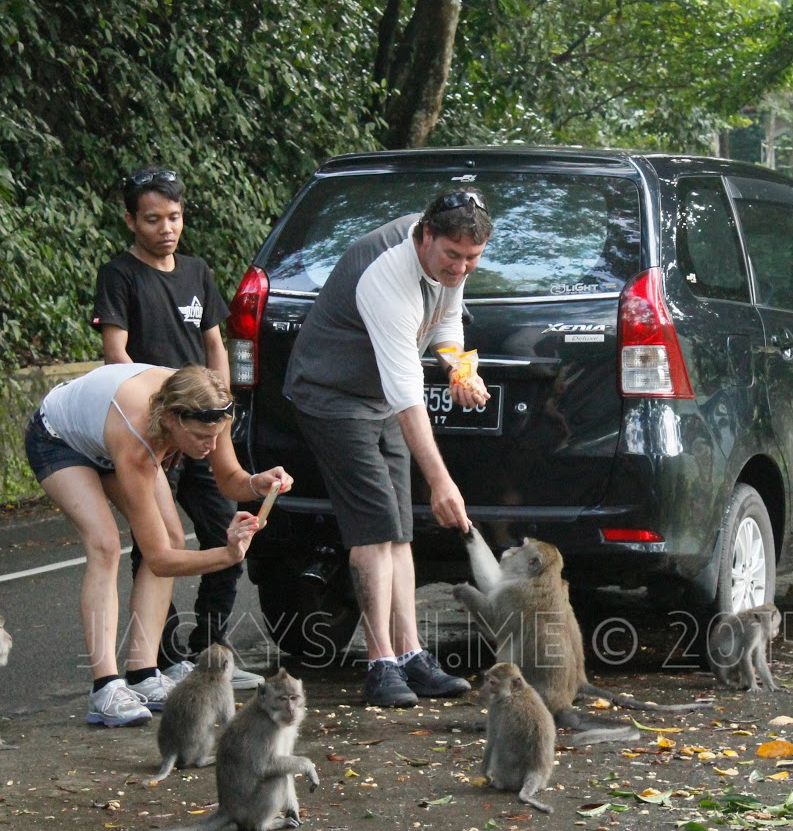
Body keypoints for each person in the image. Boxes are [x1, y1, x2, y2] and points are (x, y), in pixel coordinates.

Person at [283, 188, 493, 706]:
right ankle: (380, 663)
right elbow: (407, 395)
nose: (462, 267)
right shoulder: (387, 277)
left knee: (399, 529)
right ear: (425, 236)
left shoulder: (450, 260)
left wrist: (461, 370)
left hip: (376, 396)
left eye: (472, 259)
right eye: (452, 256)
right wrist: (442, 482)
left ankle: (411, 655)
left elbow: (446, 319)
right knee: (374, 526)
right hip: (331, 396)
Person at [25, 363, 292, 727]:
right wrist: (226, 555)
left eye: (215, 436)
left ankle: (143, 673)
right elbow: (160, 561)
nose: (209, 446)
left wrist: (257, 483)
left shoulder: (212, 407)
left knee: (171, 534)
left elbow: (229, 480)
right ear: (171, 419)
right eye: (200, 437)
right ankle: (105, 688)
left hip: (109, 434)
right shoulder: (137, 439)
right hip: (59, 439)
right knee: (104, 543)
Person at [92, 165, 263, 691]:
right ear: (130, 221)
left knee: (228, 531)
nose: (166, 228)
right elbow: (116, 355)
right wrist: (152, 416)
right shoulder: (120, 275)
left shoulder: (196, 271)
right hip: (153, 431)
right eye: (152, 219)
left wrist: (222, 405)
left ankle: (211, 649)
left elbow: (215, 344)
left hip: (204, 427)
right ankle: (161, 660)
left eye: (175, 217)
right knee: (155, 546)